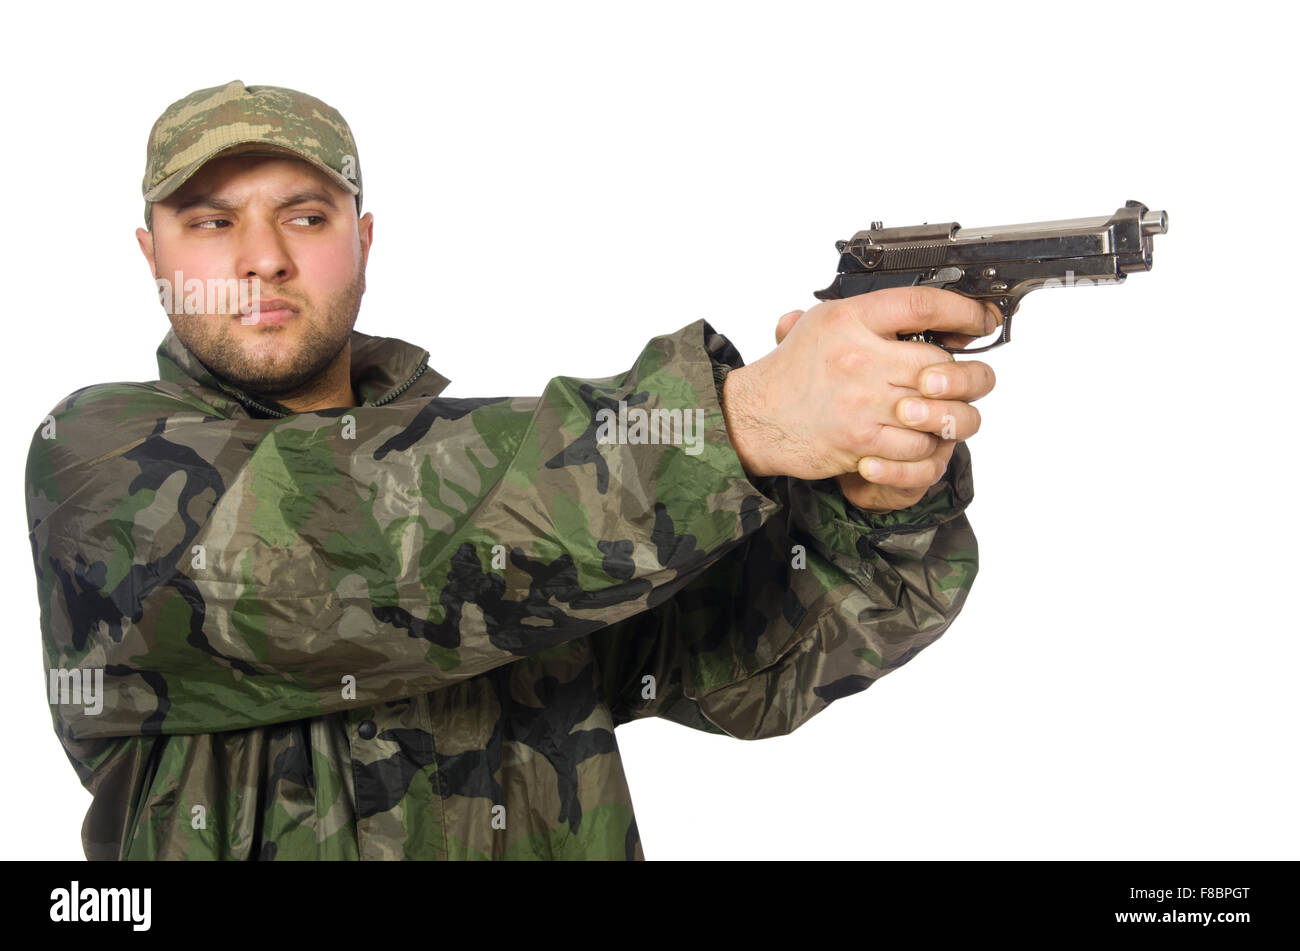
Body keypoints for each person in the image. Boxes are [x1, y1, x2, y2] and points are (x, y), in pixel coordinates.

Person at [26, 80, 998, 860]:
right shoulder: (99, 466)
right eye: (210, 221)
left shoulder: (521, 489)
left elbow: (742, 667)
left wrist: (868, 500)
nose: (263, 258)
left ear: (362, 240)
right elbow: (354, 541)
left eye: (305, 216)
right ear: (152, 253)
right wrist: (739, 420)